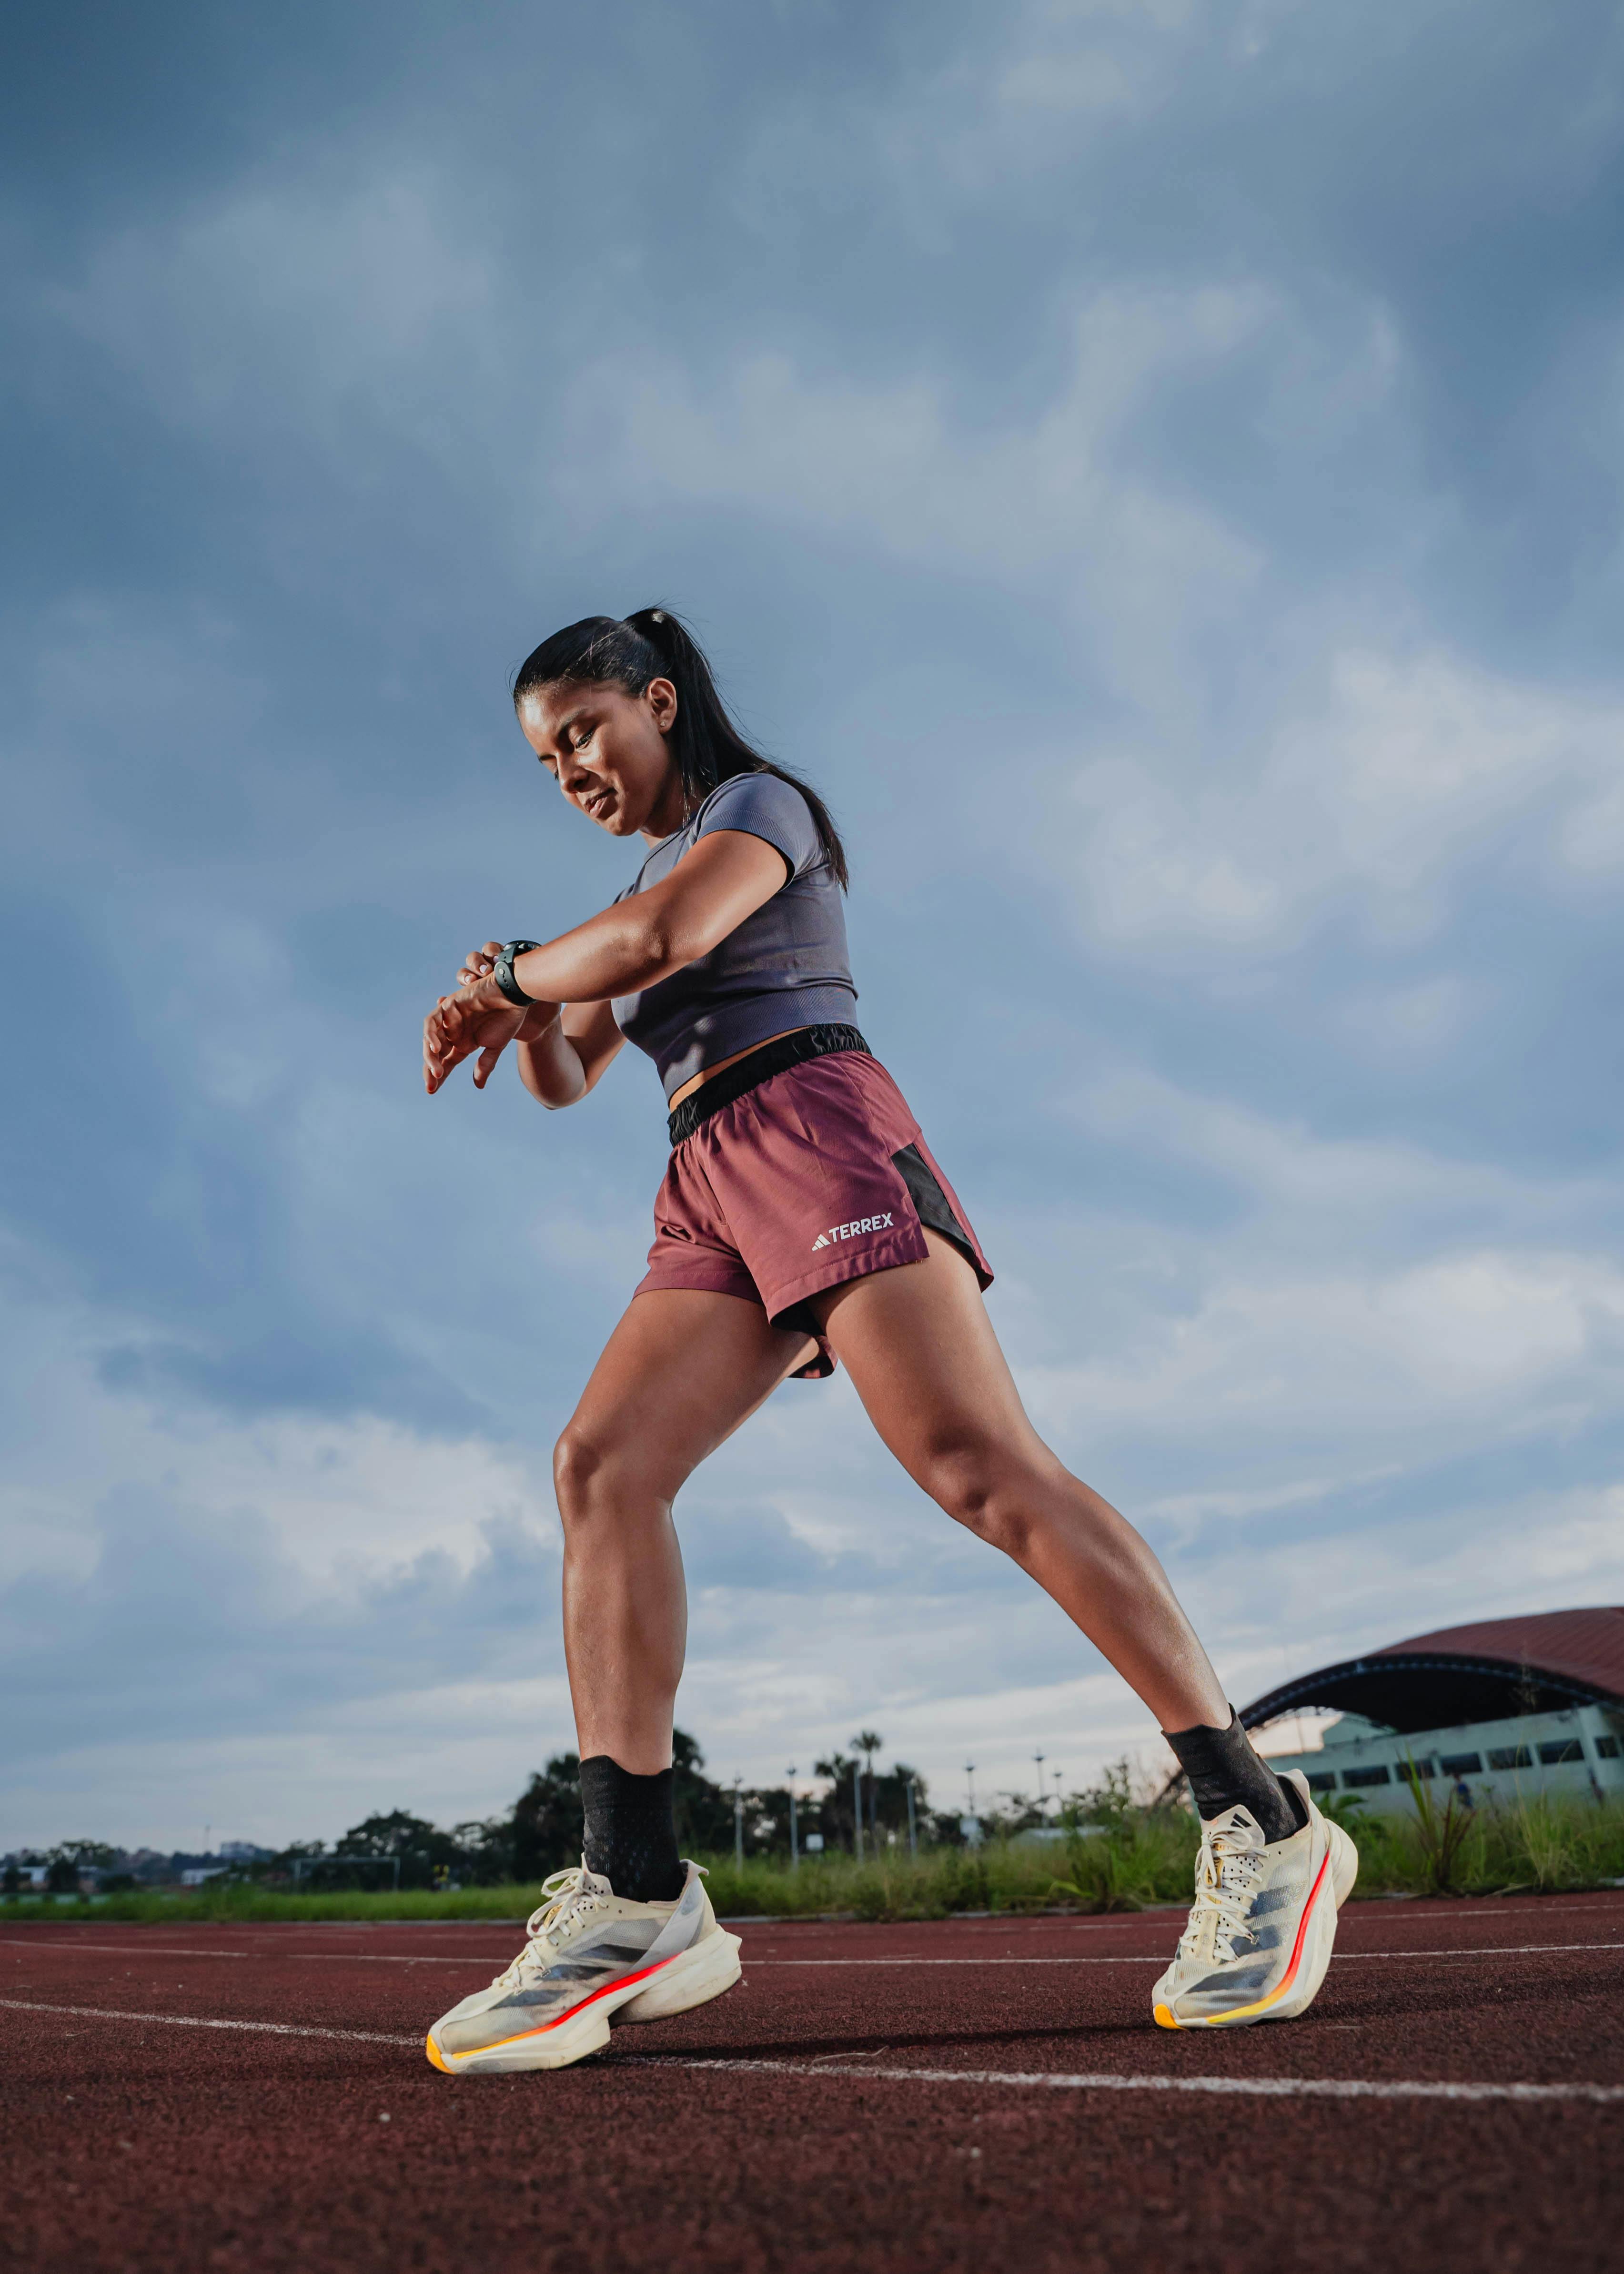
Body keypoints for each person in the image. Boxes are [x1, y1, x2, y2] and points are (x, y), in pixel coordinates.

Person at [418, 609, 1358, 2074]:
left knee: (978, 1468)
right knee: (600, 1468)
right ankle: (637, 1889)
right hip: (703, 1179)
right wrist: (513, 1004)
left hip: (813, 1122)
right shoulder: (625, 889)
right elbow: (567, 1066)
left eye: (587, 730)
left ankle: (1262, 1816)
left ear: (659, 701)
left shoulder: (754, 809)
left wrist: (516, 970)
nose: (571, 768)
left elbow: (656, 944)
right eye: (547, 760)